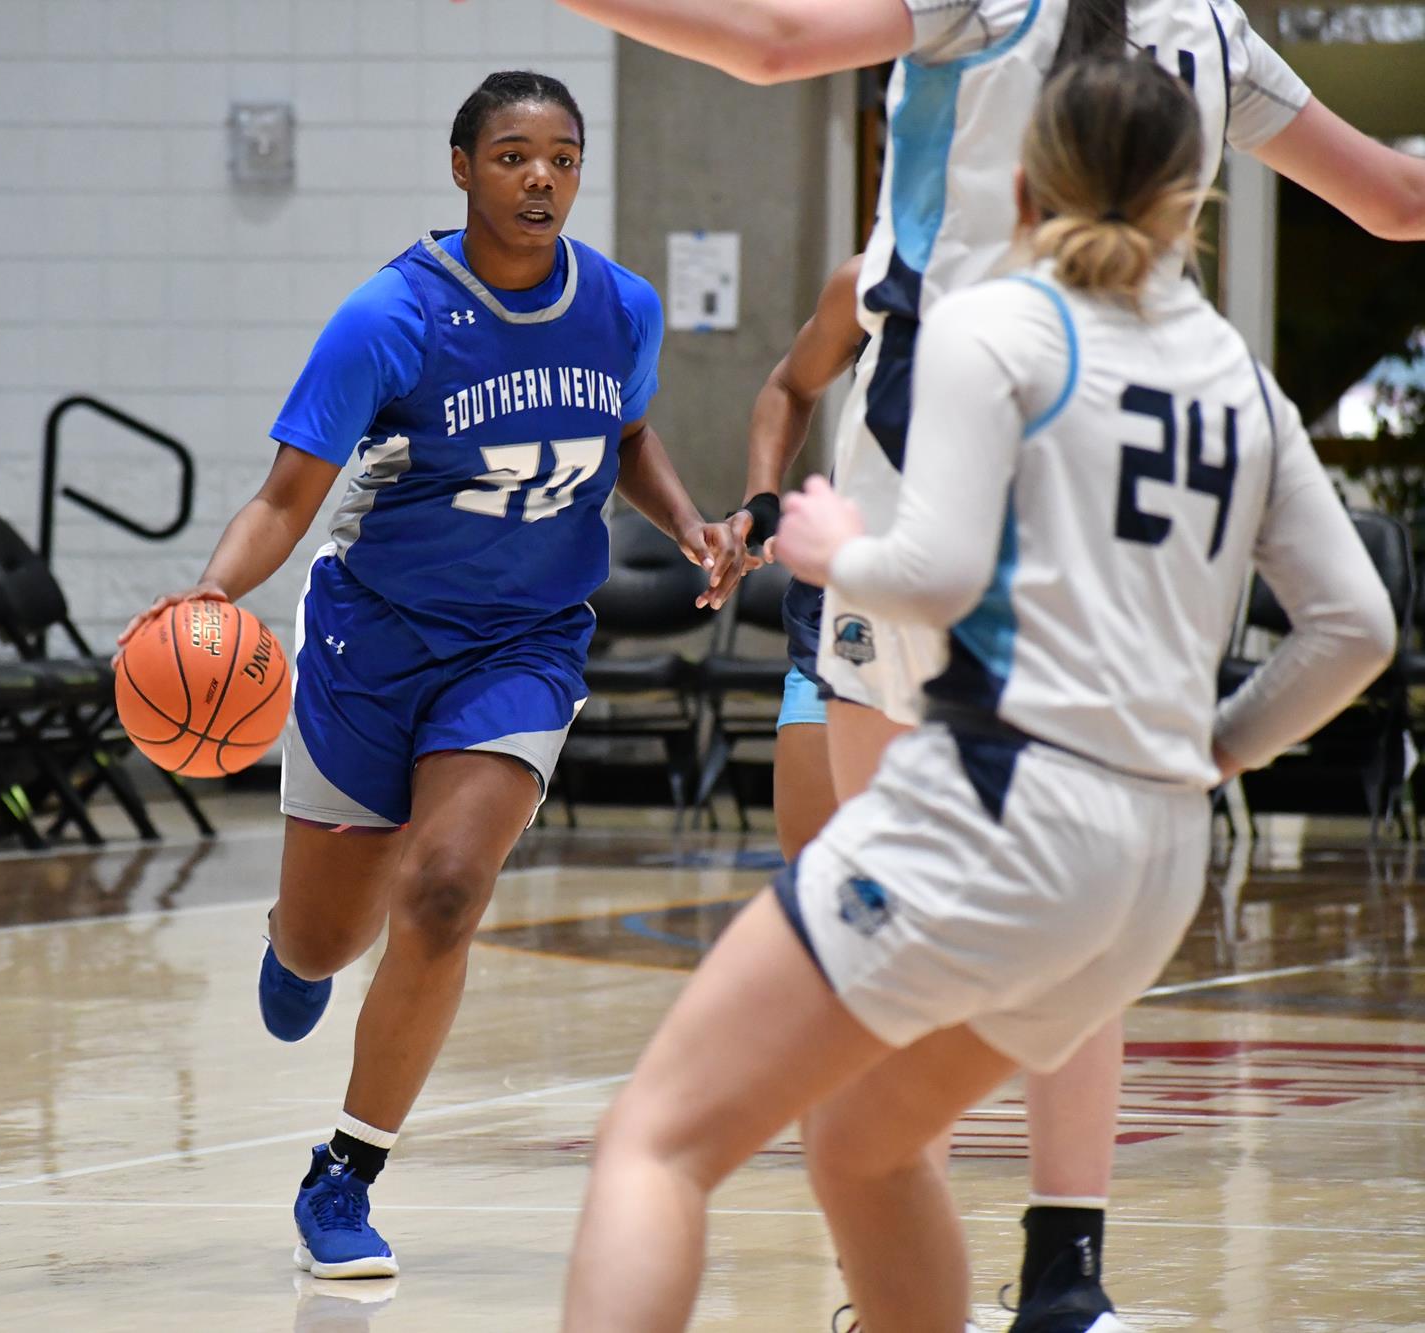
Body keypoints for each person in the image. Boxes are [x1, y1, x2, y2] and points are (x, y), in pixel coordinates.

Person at [560, 1, 1425, 1323]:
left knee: (687, 1118)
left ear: (1028, 180)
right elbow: (1399, 205)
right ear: (1190, 187)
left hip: (946, 464)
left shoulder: (986, 297)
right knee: (977, 1015)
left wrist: (834, 550)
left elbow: (775, 38)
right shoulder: (1220, 123)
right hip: (1154, 825)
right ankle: (1068, 1278)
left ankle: (890, 1281)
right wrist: (1224, 746)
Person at [116, 71, 743, 1281]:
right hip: (372, 644)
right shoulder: (386, 317)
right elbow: (286, 494)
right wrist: (209, 594)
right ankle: (292, 950)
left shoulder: (618, 306)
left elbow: (624, 437)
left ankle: (344, 1172)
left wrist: (686, 522)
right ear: (461, 167)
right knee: (321, 944)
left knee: (449, 888)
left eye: (561, 155)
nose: (540, 177)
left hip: (521, 646)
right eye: (512, 155)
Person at [730, 254, 863, 859]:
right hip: (842, 619)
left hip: (973, 630)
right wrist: (763, 501)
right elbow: (789, 385)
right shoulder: (871, 279)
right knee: (815, 890)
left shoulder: (1054, 288)